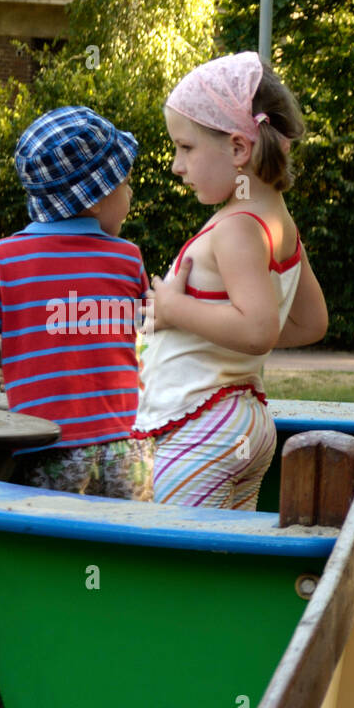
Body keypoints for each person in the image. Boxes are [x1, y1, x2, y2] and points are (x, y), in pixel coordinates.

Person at [133, 52, 328, 509]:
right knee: (218, 565)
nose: (177, 166)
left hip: (199, 428)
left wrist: (177, 310)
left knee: (180, 564)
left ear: (239, 148)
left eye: (186, 148)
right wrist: (217, 326)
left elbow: (258, 330)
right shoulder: (278, 224)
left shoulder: (236, 227)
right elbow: (309, 323)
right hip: (241, 420)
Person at [0, 106, 154, 499]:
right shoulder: (128, 257)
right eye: (126, 184)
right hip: (125, 444)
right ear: (95, 200)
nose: (131, 194)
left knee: (53, 539)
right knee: (126, 538)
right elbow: (142, 335)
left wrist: (15, 350)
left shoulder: (0, 258)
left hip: (46, 443)